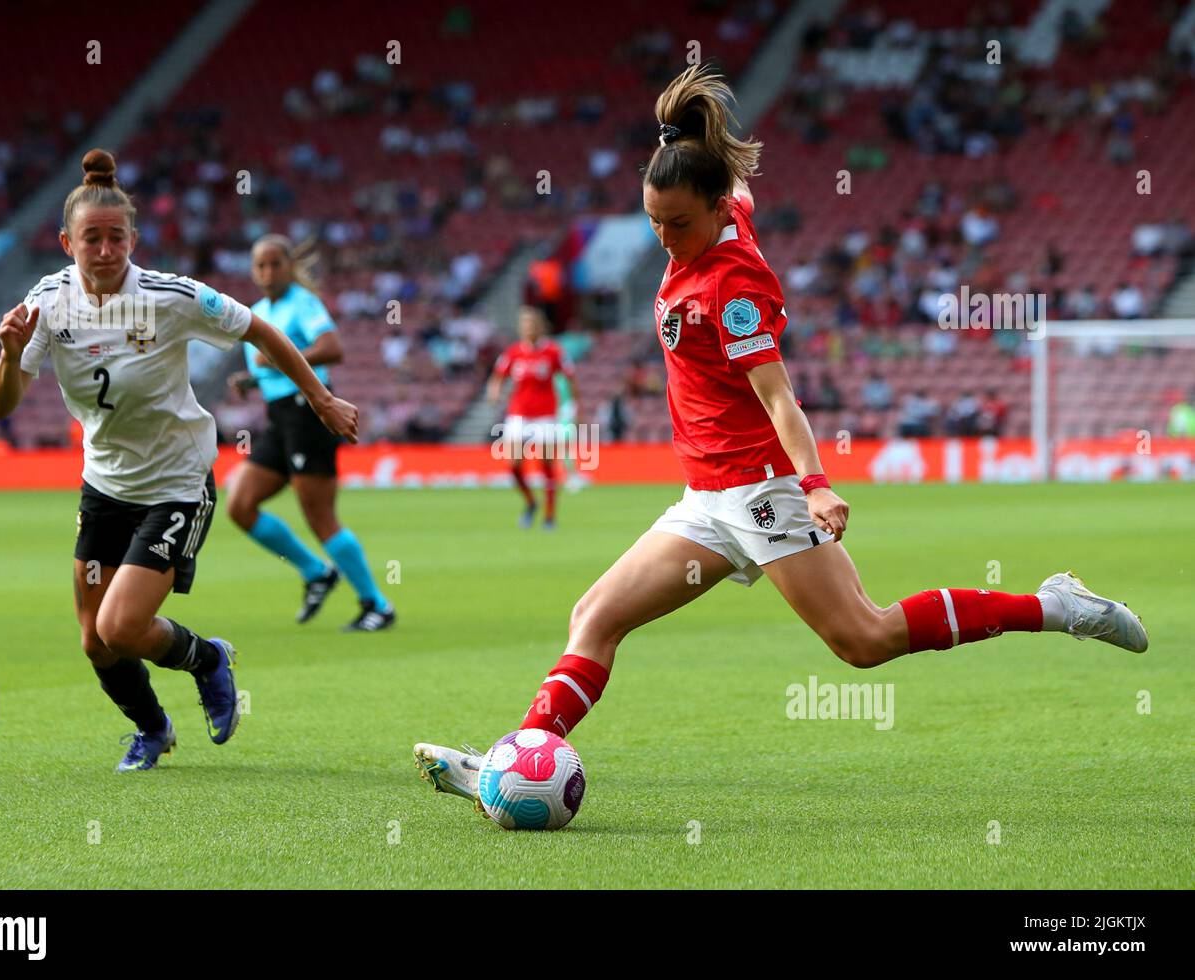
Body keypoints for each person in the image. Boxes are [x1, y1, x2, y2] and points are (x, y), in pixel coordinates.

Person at [412, 67, 1147, 807]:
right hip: (708, 495)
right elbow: (733, 187)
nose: (665, 238)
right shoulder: (720, 209)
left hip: (763, 488)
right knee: (595, 617)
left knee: (865, 640)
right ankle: (513, 759)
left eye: (678, 223)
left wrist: (815, 483)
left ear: (712, 211)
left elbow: (779, 395)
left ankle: (1057, 607)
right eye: (653, 220)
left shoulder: (730, 291)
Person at [0, 149, 358, 772]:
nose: (105, 251)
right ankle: (153, 730)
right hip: (103, 485)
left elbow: (259, 331)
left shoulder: (170, 296)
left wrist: (321, 399)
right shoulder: (46, 302)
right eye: (91, 239)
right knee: (94, 641)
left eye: (116, 238)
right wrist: (8, 356)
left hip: (177, 483)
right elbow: (2, 405)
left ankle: (208, 659)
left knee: (123, 627)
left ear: (133, 238)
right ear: (65, 242)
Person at [225, 235, 395, 631]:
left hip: (310, 414)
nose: (268, 272)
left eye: (275, 264)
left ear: (289, 266)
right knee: (240, 505)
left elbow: (333, 348)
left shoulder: (302, 303)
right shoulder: (257, 311)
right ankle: (316, 571)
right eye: (260, 266)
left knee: (320, 517)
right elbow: (272, 367)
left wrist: (277, 361)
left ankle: (377, 604)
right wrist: (253, 381)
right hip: (279, 418)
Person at [487, 306, 580, 529]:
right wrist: (494, 392)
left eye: (531, 323)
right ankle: (530, 502)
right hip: (519, 414)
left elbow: (570, 378)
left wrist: (574, 405)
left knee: (546, 465)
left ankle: (549, 517)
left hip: (546, 415)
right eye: (524, 324)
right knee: (513, 465)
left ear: (540, 326)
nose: (527, 328)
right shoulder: (513, 353)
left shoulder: (553, 352)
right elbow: (498, 377)